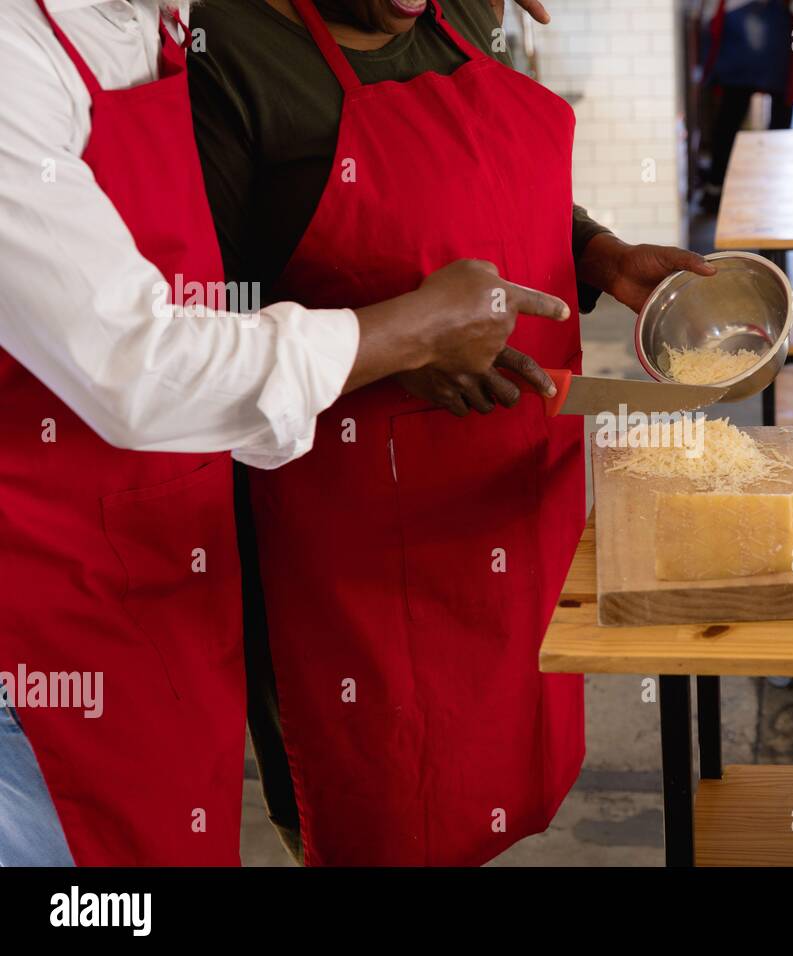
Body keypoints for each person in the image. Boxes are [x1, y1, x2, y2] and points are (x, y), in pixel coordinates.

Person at [0, 0, 561, 865]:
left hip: (167, 567)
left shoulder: (161, 20)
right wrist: (403, 333)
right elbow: (134, 363)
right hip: (35, 608)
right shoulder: (17, 54)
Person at [189, 0, 714, 865]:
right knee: (381, 807)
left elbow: (489, 178)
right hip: (354, 543)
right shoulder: (229, 53)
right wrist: (399, 347)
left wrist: (597, 252)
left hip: (512, 499)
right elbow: (202, 330)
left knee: (505, 764)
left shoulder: (460, 10)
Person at [698, 0, 793, 211]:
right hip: (763, 17)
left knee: (731, 112)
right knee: (776, 114)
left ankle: (717, 188)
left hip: (741, 15)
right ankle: (777, 186)